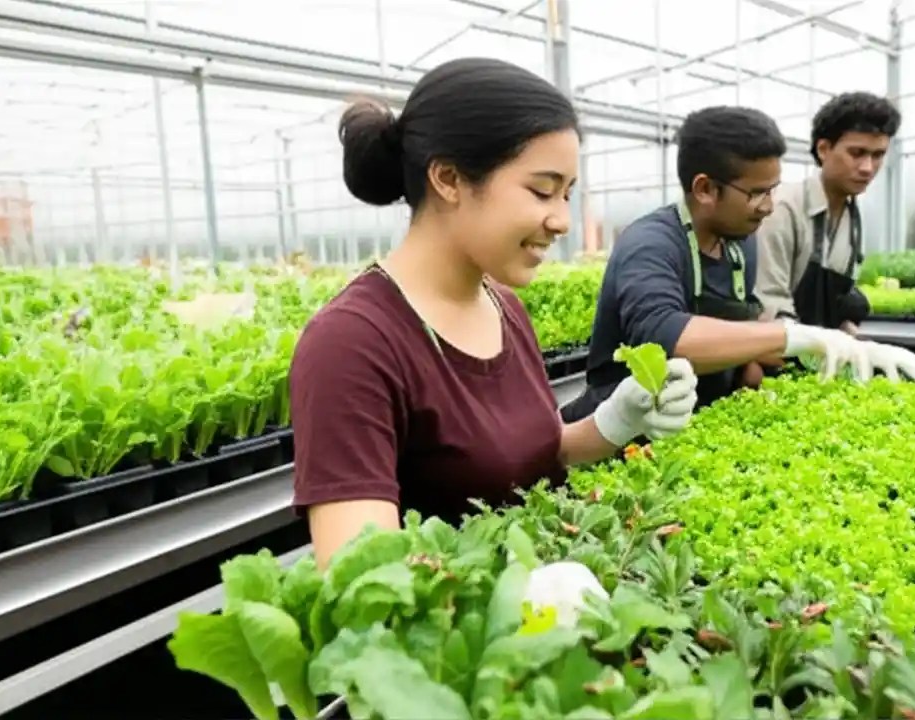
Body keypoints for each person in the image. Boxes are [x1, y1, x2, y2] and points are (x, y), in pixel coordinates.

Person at [288, 58, 699, 569]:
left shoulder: (503, 306)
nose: (561, 220)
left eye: (567, 193)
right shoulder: (352, 344)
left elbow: (528, 455)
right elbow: (364, 583)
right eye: (542, 190)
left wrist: (618, 418)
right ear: (449, 178)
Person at [560, 106, 915, 424]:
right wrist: (797, 337)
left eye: (772, 189)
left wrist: (840, 351)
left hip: (693, 423)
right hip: (621, 435)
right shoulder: (651, 243)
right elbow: (665, 336)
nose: (769, 205)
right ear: (705, 189)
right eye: (757, 193)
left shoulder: (740, 244)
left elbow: (742, 332)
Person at [756, 92, 900, 338]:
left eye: (878, 156)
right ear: (823, 149)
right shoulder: (783, 209)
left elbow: (833, 305)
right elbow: (769, 306)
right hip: (775, 350)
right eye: (857, 153)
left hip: (816, 353)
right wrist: (825, 346)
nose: (868, 168)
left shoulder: (851, 219)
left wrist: (856, 342)